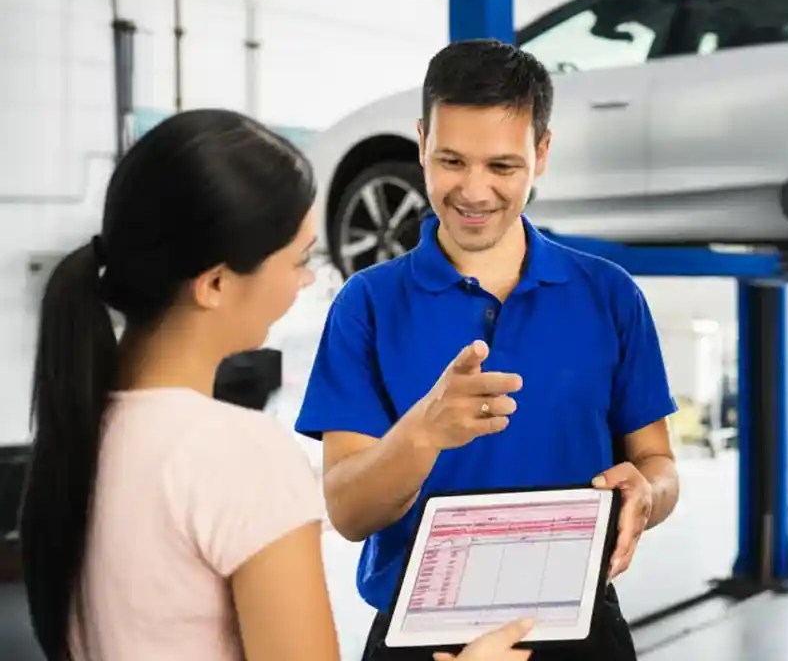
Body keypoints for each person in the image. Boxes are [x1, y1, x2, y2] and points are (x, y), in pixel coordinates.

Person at [19, 108, 530, 661]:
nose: (308, 278)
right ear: (215, 283)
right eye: (299, 259)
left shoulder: (82, 427)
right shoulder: (239, 453)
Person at [295, 38, 682, 660]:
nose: (474, 192)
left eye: (503, 167)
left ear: (543, 153)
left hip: (579, 630)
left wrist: (648, 494)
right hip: (421, 638)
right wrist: (423, 432)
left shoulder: (609, 295)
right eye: (451, 161)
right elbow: (348, 512)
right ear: (421, 143)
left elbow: (657, 464)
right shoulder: (367, 305)